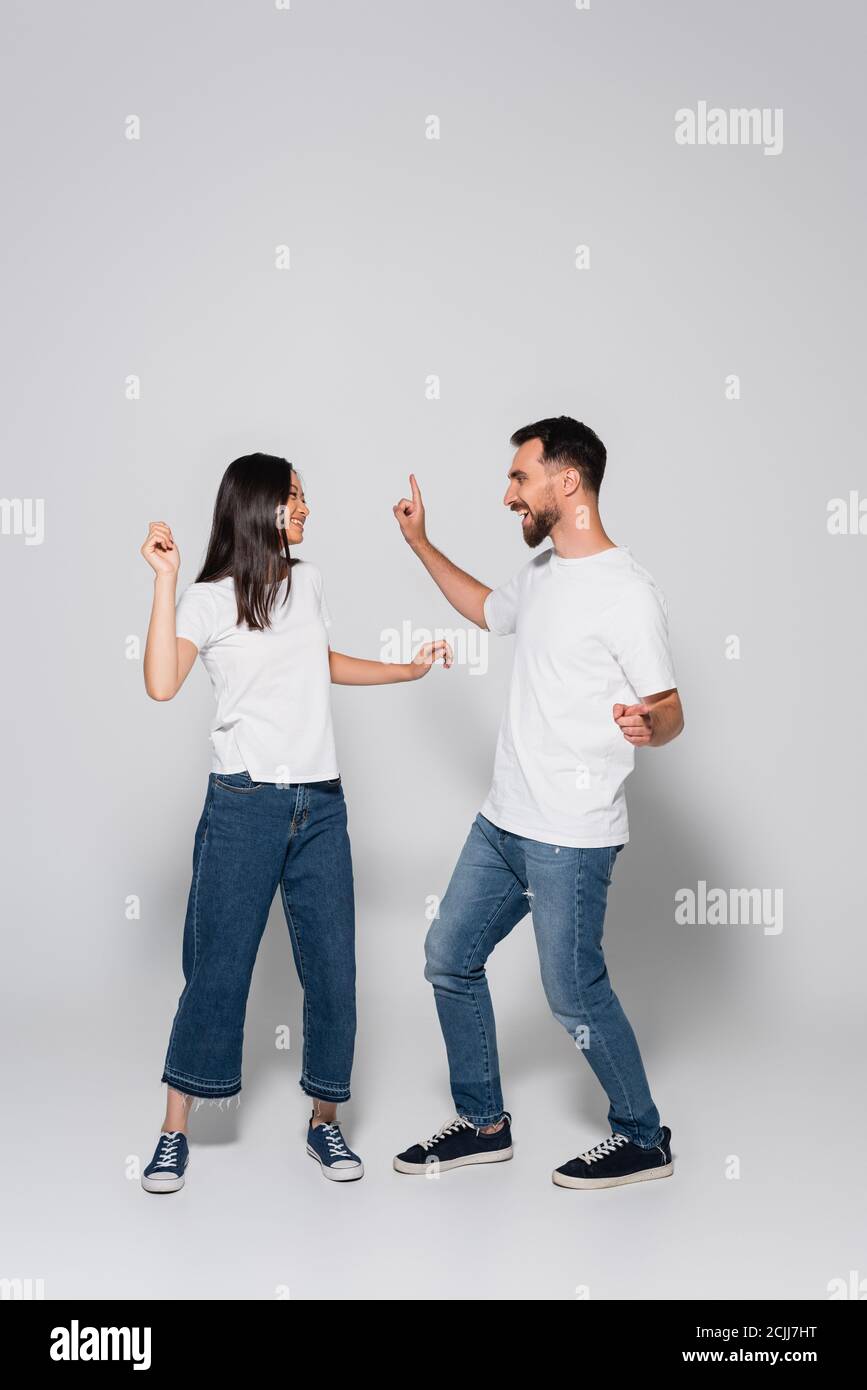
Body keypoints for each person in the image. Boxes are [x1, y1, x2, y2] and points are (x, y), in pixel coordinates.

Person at [139, 452, 451, 1191]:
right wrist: (163, 582)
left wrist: (402, 671)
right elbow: (159, 684)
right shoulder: (210, 599)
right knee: (216, 971)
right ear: (261, 507)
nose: (307, 509)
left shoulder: (307, 582)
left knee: (334, 973)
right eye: (296, 498)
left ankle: (325, 1126)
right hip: (244, 805)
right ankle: (172, 1132)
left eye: (304, 497)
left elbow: (319, 660)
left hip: (321, 806)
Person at [391, 417, 683, 1189]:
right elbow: (488, 609)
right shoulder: (548, 571)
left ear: (567, 482)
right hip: (501, 823)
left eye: (519, 478)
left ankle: (642, 1136)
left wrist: (648, 725)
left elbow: (670, 709)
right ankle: (483, 1123)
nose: (507, 494)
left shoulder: (627, 593)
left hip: (571, 835)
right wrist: (421, 544)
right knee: (448, 959)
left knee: (572, 989)